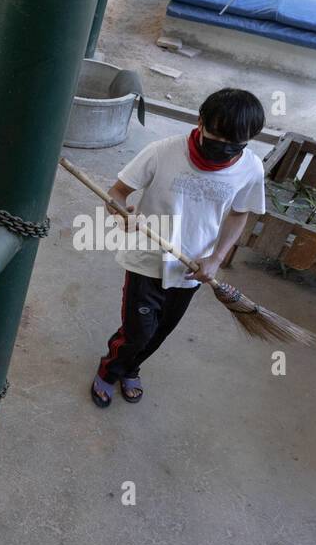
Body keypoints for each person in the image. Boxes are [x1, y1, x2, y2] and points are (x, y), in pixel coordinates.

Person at [92, 88, 267, 408]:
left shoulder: (251, 169)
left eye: (234, 143)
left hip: (193, 269)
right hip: (146, 259)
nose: (223, 148)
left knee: (160, 332)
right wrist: (120, 213)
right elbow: (117, 193)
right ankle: (109, 369)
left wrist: (216, 259)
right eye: (216, 136)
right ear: (200, 121)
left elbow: (239, 215)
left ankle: (131, 367)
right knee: (138, 332)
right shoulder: (162, 152)